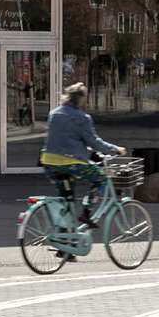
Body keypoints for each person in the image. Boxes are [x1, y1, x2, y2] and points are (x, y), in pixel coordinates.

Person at [40, 83, 125, 223]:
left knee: (67, 196)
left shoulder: (54, 114)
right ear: (80, 98)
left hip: (49, 162)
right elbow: (94, 141)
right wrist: (115, 149)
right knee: (101, 178)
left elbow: (63, 138)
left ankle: (64, 231)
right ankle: (86, 212)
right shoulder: (82, 118)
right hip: (71, 163)